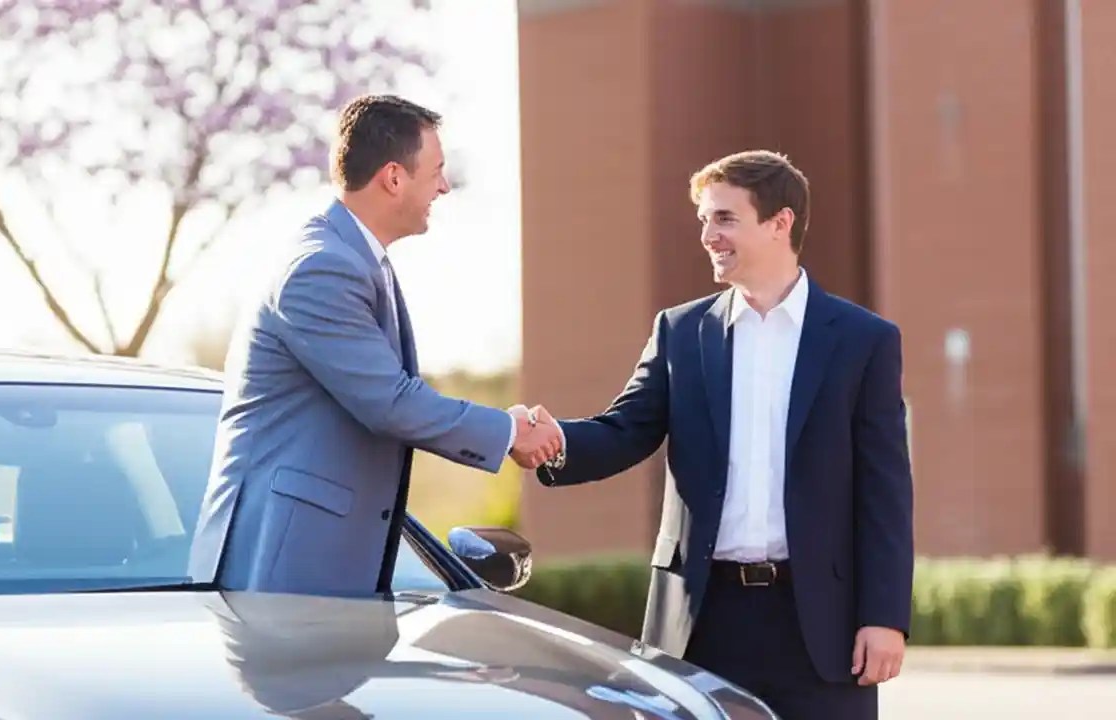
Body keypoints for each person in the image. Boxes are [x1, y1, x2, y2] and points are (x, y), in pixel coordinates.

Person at [521, 150, 914, 719]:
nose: (708, 235)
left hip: (820, 623)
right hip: (700, 620)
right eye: (704, 219)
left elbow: (886, 491)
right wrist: (550, 441)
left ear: (780, 223)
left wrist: (884, 617)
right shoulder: (680, 331)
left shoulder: (863, 340)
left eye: (725, 219)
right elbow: (626, 430)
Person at [188, 94, 561, 596]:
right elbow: (390, 401)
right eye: (437, 172)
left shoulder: (356, 259)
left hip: (320, 577)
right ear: (393, 177)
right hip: (283, 574)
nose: (445, 187)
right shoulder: (321, 268)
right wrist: (506, 432)